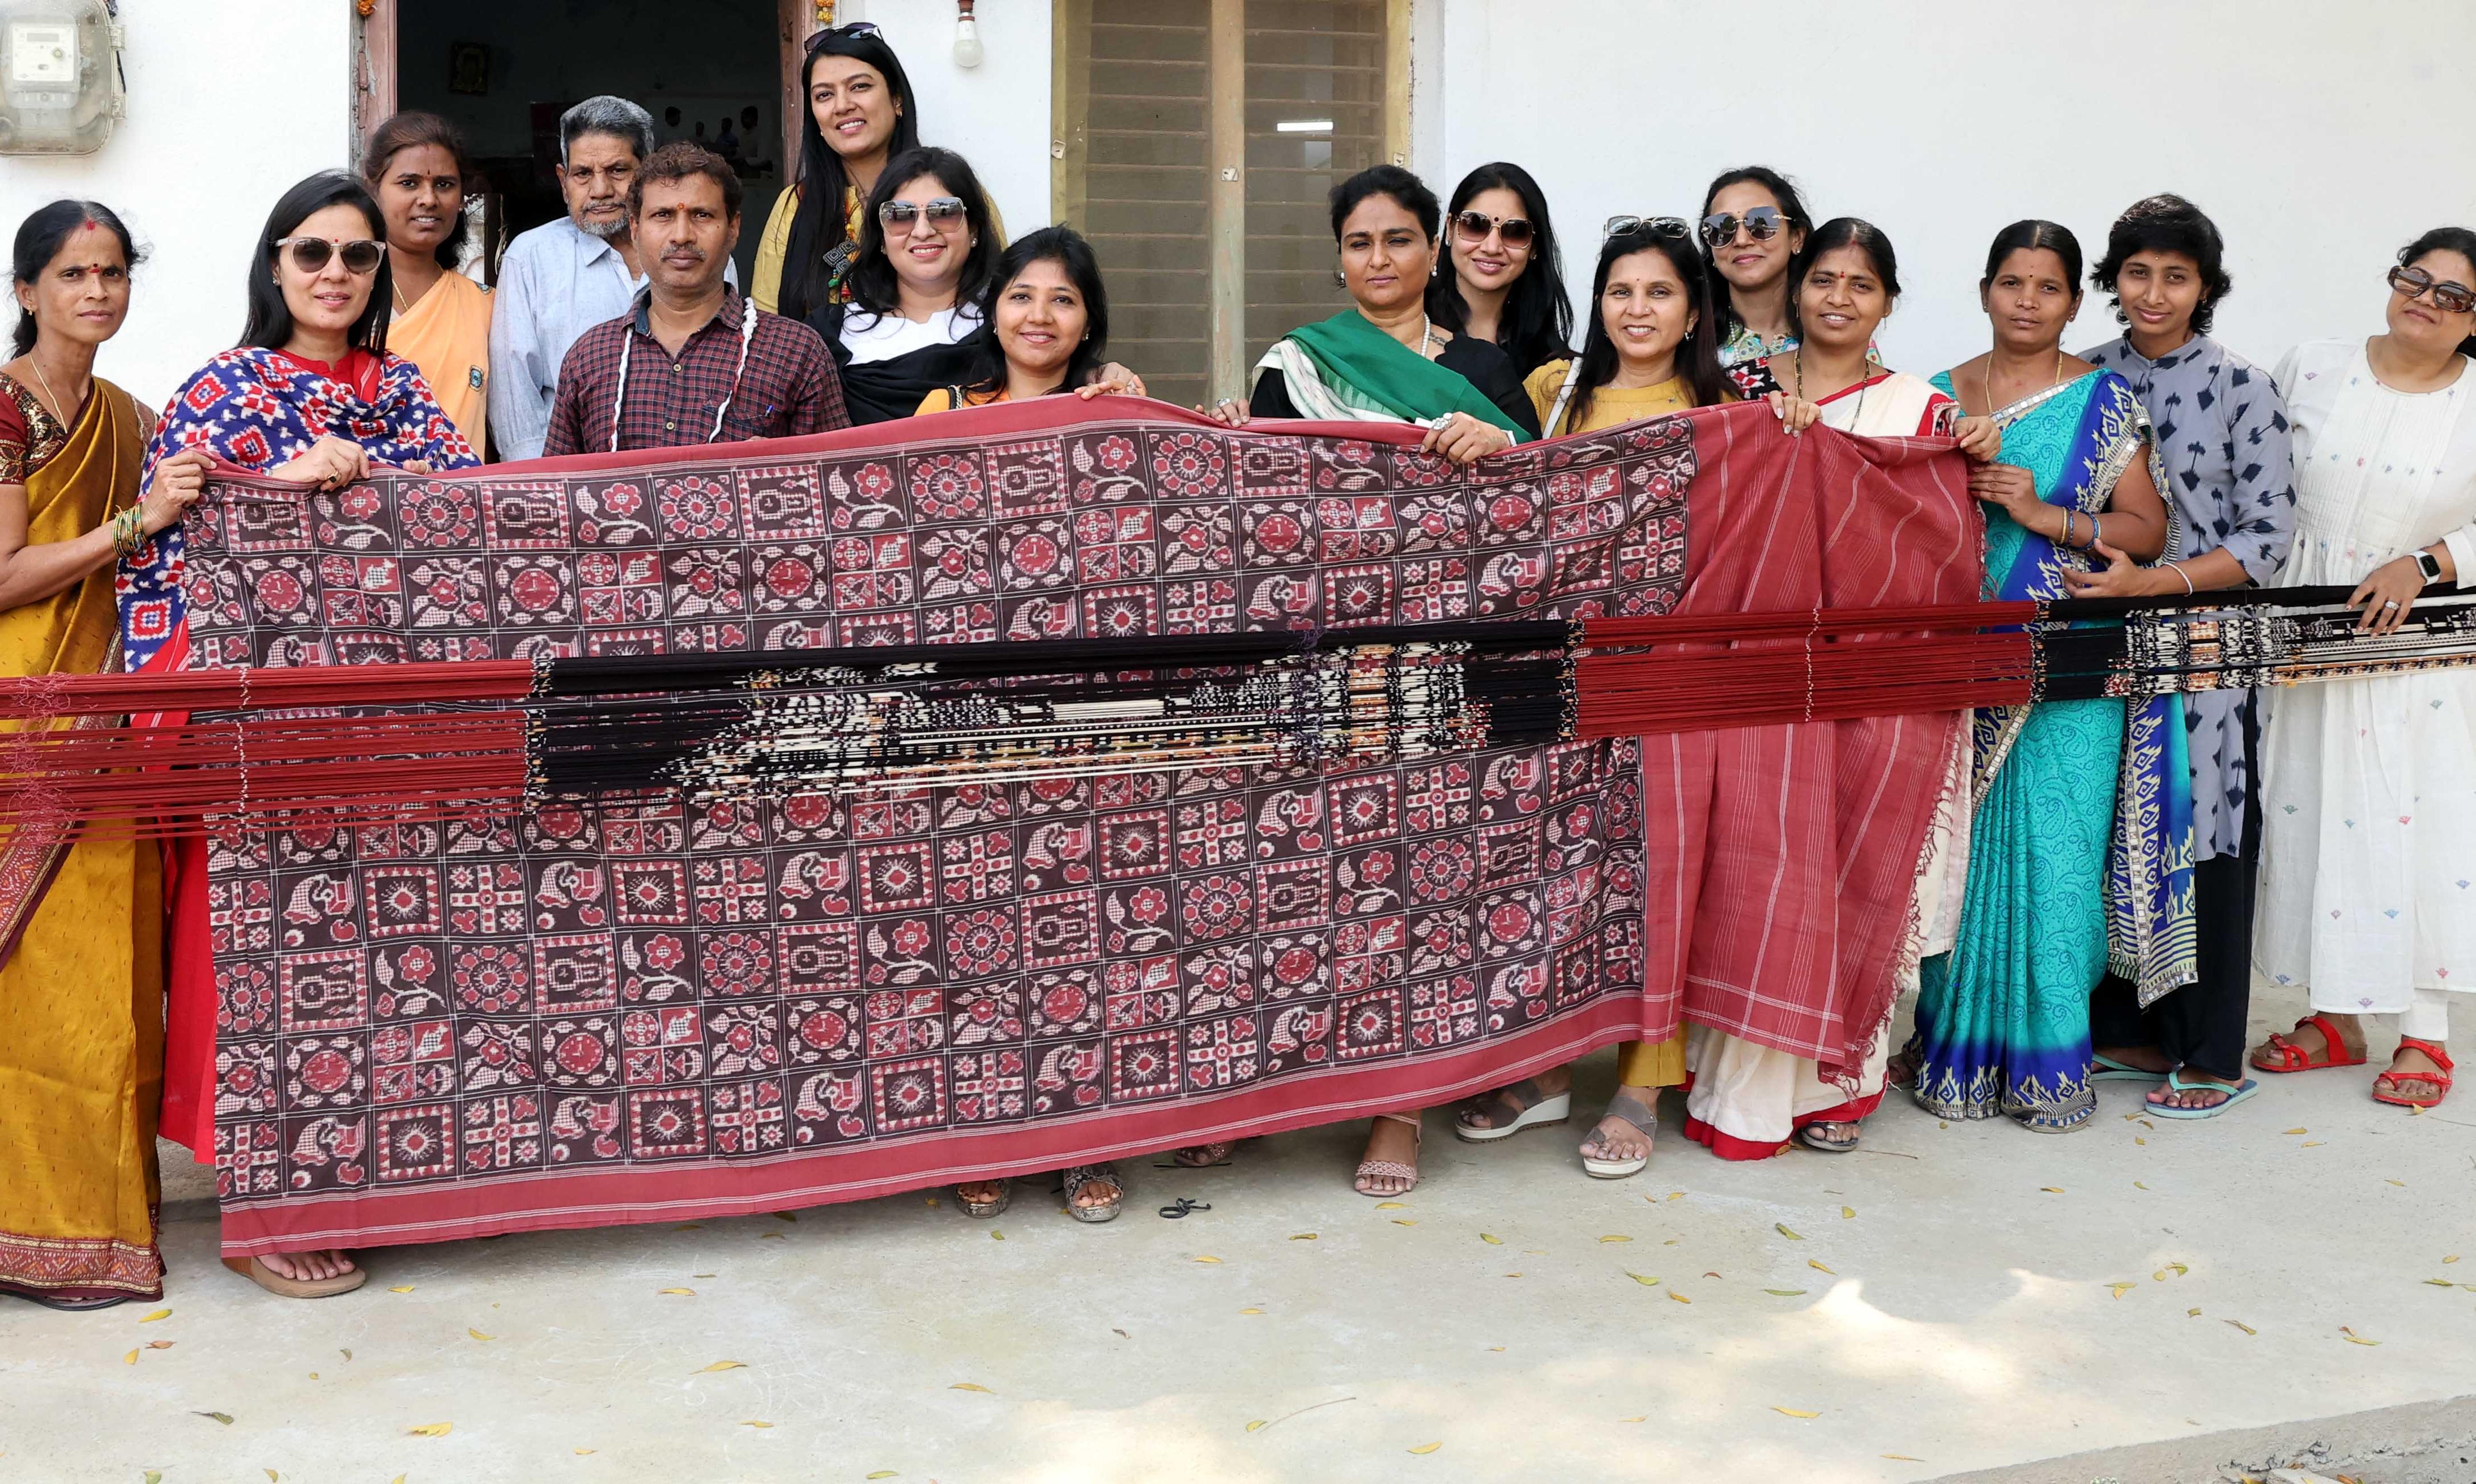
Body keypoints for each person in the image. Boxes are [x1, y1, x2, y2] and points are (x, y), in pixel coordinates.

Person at [120, 171, 478, 1299]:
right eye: (312, 251)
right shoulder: (220, 388)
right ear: (274, 263)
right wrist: (281, 484)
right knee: (250, 967)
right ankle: (260, 1206)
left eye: (358, 256)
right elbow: (160, 550)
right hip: (250, 731)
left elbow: (472, 518)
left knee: (369, 970)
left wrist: (377, 473)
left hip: (375, 738)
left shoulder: (402, 392)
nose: (335, 273)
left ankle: (351, 1181)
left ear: (383, 272)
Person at [1203, 164, 1535, 1195]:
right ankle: (1273, 1087)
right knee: (1300, 878)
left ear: (1432, 250)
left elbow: (1544, 511)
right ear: (1338, 254)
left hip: (1445, 659)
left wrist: (1508, 446)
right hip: (1327, 650)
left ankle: (1400, 1112)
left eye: (1399, 240)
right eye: (1360, 242)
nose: (1379, 260)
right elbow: (1264, 505)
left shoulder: (1487, 369)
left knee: (1421, 876)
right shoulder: (1295, 364)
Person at [1665, 219, 1993, 1159]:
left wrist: (1960, 460)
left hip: (1881, 680)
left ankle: (1841, 1086)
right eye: (1824, 281)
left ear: (1887, 301)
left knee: (1858, 869)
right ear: (1796, 290)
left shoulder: (1921, 414)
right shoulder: (1741, 394)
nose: (1840, 299)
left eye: (1862, 284)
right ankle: (1741, 1091)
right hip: (1762, 682)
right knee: (1764, 874)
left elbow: (1942, 549)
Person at [1447, 216, 1733, 1172]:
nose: (1638, 310)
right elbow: (1513, 492)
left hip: (1670, 676)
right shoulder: (1555, 389)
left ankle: (1643, 1085)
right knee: (1561, 866)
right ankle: (1549, 1069)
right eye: (1621, 291)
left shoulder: (1727, 412)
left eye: (1659, 292)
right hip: (1562, 671)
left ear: (1692, 307)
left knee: (1655, 875)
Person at [1904, 220, 2189, 1135]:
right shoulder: (1936, 399)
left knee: (2058, 863)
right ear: (1985, 289)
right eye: (2012, 283)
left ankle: (2044, 1064)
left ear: (2074, 302)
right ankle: (1949, 1047)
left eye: (2049, 287)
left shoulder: (2105, 402)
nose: (2028, 302)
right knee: (1959, 859)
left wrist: (2040, 511)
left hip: (2068, 663)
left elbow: (2146, 532)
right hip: (1962, 663)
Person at [912, 224, 1141, 1222]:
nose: (1040, 317)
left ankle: (1087, 1140)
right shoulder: (940, 409)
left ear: (1089, 319)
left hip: (1089, 710)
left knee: (1090, 929)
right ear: (990, 308)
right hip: (966, 710)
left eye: (1063, 299)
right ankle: (988, 1128)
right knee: (973, 928)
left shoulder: (1120, 413)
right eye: (1021, 296)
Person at [0, 202, 206, 1310]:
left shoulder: (132, 415)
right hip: (21, 726)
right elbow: (4, 573)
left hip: (111, 733)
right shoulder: (4, 408)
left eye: (114, 271)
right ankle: (29, 1224)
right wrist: (135, 525)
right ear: (27, 289)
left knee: (114, 989)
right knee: (33, 991)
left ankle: (105, 1228)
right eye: (74, 273)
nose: (98, 291)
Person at [2074, 195, 2296, 1118]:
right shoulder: (2082, 378)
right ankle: (2125, 1029)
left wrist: (2154, 586)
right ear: (2112, 281)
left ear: (2205, 286)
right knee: (2109, 831)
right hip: (2096, 645)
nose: (2154, 291)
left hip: (2204, 649)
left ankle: (2211, 1054)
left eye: (2176, 275)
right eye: (2137, 272)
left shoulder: (2243, 388)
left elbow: (2267, 541)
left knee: (2202, 837)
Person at [2248, 227, 2476, 1111]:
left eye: (2451, 295)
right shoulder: (2310, 364)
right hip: (2302, 631)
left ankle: (2424, 1031)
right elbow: (2255, 478)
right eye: (2413, 279)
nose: (2424, 299)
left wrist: (2422, 563)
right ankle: (2332, 1016)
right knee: (2308, 811)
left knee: (2408, 824)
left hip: (2415, 648)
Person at [543, 142, 847, 456]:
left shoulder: (796, 352)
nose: (682, 235)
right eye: (662, 215)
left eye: (702, 215)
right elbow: (553, 496)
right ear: (635, 229)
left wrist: (780, 471)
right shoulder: (589, 358)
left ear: (733, 228)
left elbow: (839, 485)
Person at [490, 97, 738, 461]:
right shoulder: (530, 258)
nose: (600, 190)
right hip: (570, 482)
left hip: (694, 473)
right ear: (563, 180)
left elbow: (731, 363)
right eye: (583, 174)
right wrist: (541, 487)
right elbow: (514, 397)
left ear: (648, 174)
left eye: (618, 171)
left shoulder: (699, 253)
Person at [753, 23, 999, 322]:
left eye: (860, 87)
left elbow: (1004, 298)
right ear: (815, 118)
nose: (842, 106)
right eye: (824, 95)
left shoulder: (953, 195)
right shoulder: (796, 205)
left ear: (897, 99)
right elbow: (767, 326)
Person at [362, 110, 491, 451]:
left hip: (462, 496)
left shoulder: (488, 305)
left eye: (444, 184)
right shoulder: (343, 296)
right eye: (409, 183)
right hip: (363, 495)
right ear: (375, 190)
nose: (429, 199)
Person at [1426, 161, 1572, 378]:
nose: (1492, 247)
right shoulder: (1414, 326)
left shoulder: (1551, 366)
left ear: (1534, 247)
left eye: (1515, 232)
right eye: (1475, 225)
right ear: (1450, 228)